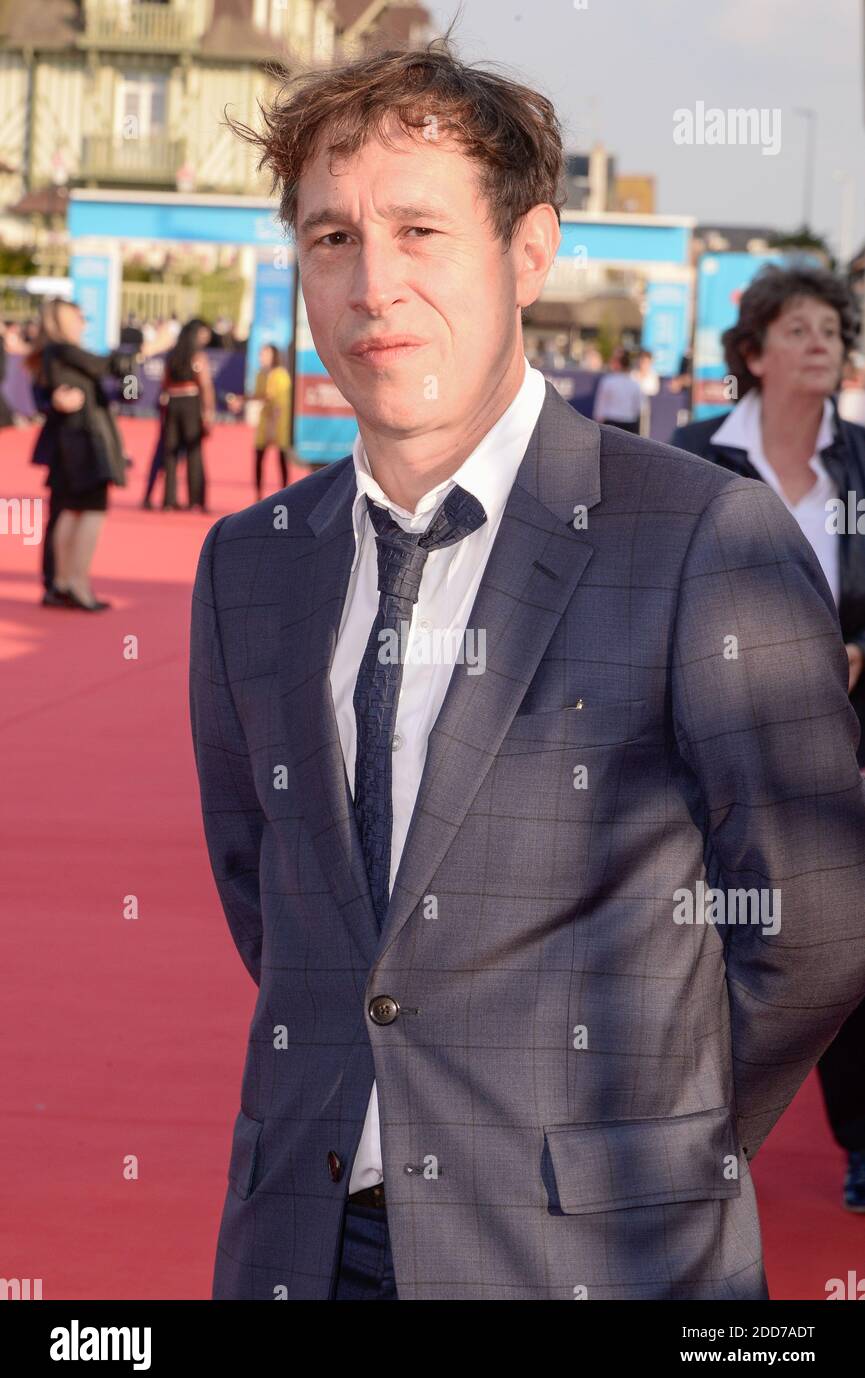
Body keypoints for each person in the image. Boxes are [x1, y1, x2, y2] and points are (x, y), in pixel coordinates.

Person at [189, 34, 865, 1302]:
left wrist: (640, 1142)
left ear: (530, 253)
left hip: (596, 1254)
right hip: (298, 1237)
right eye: (332, 238)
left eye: (418, 231)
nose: (373, 284)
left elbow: (816, 921)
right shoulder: (248, 566)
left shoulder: (699, 537)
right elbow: (272, 900)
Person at [670, 262, 865, 1211]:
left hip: (848, 750)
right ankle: (698, 1132)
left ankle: (861, 1137)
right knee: (705, 942)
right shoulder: (695, 453)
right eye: (797, 328)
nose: (820, 341)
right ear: (751, 351)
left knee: (844, 939)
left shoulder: (863, 463)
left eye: (831, 327)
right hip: (713, 747)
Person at [26, 299, 173, 610]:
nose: (82, 322)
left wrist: (127, 379)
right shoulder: (62, 350)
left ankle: (64, 584)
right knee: (85, 511)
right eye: (77, 317)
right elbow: (104, 367)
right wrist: (148, 348)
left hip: (79, 440)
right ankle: (73, 585)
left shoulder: (61, 354)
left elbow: (123, 390)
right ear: (60, 320)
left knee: (69, 511)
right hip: (82, 442)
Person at [160, 318, 214, 512]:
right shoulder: (197, 357)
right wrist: (208, 411)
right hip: (191, 403)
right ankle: (196, 500)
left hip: (172, 404)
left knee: (171, 453)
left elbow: (163, 383)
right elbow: (205, 385)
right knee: (194, 451)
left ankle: (168, 499)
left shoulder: (172, 356)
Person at [226, 344, 292, 499]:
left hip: (280, 419)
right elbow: (259, 394)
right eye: (261, 354)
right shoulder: (261, 374)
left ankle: (286, 492)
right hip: (266, 418)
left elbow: (271, 397)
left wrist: (242, 400)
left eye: (265, 354)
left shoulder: (281, 374)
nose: (261, 357)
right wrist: (242, 400)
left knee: (282, 456)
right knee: (259, 454)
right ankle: (258, 494)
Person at [591, 346, 643, 432]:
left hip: (612, 423)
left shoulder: (607, 381)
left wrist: (598, 423)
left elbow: (600, 406)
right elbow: (638, 407)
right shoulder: (635, 384)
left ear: (618, 364)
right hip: (629, 423)